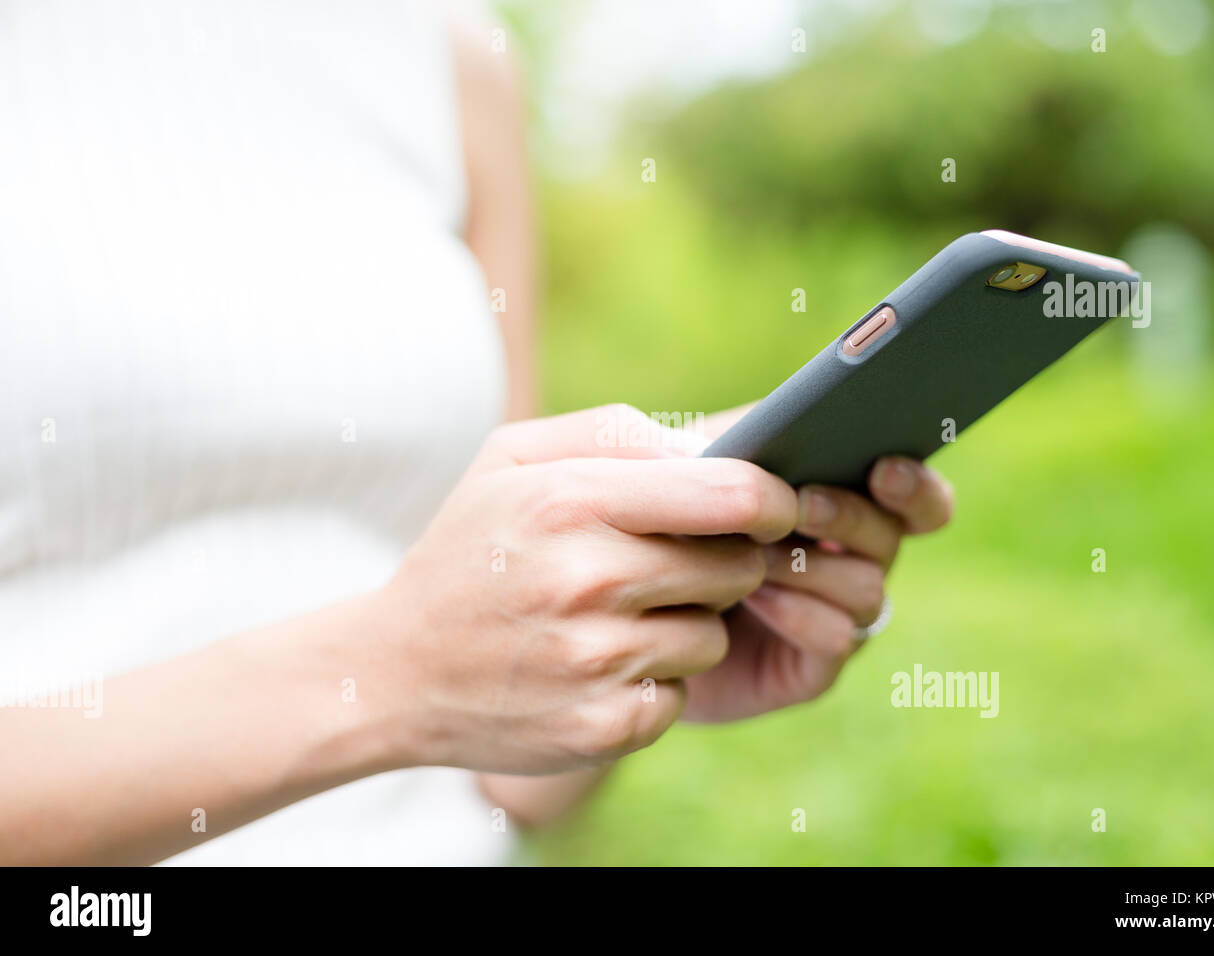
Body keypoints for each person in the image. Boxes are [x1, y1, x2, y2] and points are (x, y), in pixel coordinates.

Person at [0, 1, 952, 865]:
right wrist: (392, 677)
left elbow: (505, 785)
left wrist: (631, 638)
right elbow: (419, 674)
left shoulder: (454, 56)